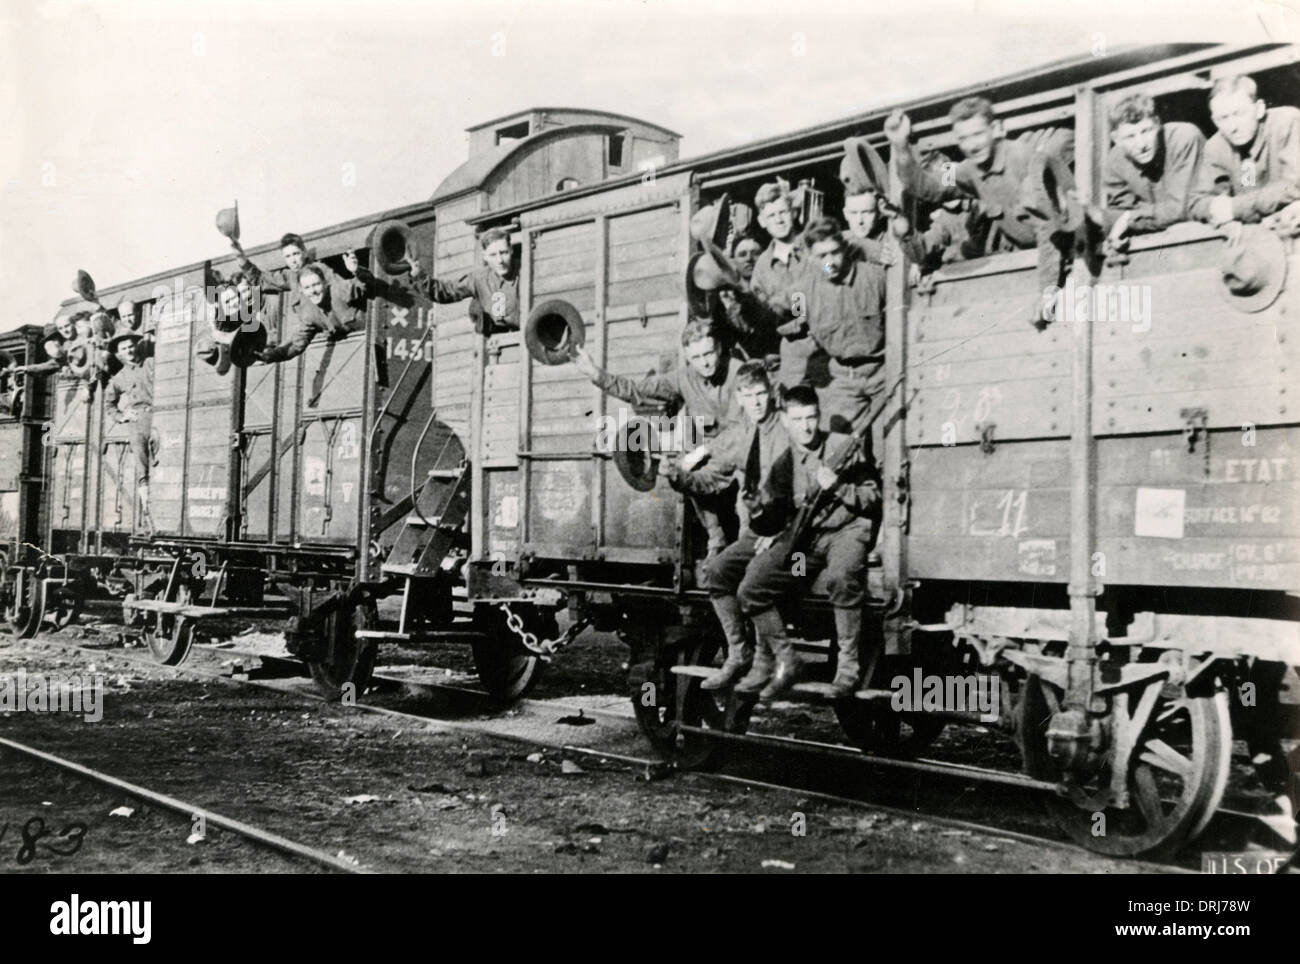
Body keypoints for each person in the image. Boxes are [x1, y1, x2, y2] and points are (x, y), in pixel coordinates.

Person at [731, 385, 882, 700]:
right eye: (798, 419)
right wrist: (758, 511)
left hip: (847, 529)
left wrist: (839, 487)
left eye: (812, 417)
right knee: (752, 587)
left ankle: (848, 668)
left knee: (842, 576)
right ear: (785, 421)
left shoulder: (844, 446)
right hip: (807, 539)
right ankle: (787, 657)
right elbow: (773, 516)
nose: (807, 426)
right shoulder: (786, 462)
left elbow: (872, 498)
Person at [569, 318, 742, 554]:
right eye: (697, 358)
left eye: (709, 353)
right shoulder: (684, 378)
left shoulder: (738, 373)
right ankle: (716, 538)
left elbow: (740, 430)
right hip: (712, 455)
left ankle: (746, 547)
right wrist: (596, 374)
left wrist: (703, 451)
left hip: (742, 451)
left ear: (720, 348)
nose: (705, 363)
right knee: (681, 470)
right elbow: (639, 391)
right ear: (689, 358)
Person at [680, 361, 789, 689]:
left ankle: (765, 660)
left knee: (753, 581)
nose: (756, 402)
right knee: (716, 572)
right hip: (757, 528)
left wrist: (778, 532)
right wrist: (684, 470)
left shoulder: (784, 430)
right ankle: (738, 652)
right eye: (749, 396)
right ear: (739, 399)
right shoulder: (742, 432)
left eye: (761, 394)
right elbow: (716, 461)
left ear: (770, 394)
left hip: (786, 531)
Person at [792, 218, 887, 444]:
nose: (830, 262)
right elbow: (794, 329)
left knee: (890, 448)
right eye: (821, 256)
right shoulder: (801, 292)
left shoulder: (876, 277)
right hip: (841, 380)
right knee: (839, 449)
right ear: (810, 258)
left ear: (845, 248)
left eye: (835, 253)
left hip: (882, 373)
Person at [1190, 74, 1300, 238]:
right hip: (1257, 238)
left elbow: (1294, 185)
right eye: (1223, 118)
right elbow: (1198, 203)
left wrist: (1234, 209)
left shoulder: (1288, 122)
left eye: (1240, 114)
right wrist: (1222, 218)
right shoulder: (1215, 147)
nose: (1233, 126)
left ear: (1259, 109)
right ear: (1214, 120)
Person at [747, 181, 826, 387]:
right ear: (762, 221)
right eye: (771, 216)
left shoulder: (816, 246)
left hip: (827, 343)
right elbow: (762, 318)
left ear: (793, 212)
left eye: (783, 212)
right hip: (793, 354)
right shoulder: (762, 269)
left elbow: (836, 274)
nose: (779, 220)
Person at [1103, 92, 1205, 248]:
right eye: (1130, 137)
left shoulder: (1184, 137)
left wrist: (1131, 218)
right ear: (1116, 139)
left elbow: (1181, 210)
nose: (1141, 144)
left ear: (1157, 123)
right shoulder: (1114, 162)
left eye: (1146, 131)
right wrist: (1127, 219)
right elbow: (1118, 216)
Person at [408, 226, 520, 334]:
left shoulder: (525, 270)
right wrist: (419, 276)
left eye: (503, 253)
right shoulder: (479, 279)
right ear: (485, 257)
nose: (499, 260)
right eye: (493, 255)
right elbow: (447, 291)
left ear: (511, 250)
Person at [255, 259, 369, 364]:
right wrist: (270, 356)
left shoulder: (339, 290)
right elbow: (296, 344)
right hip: (353, 354)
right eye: (307, 288)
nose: (313, 291)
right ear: (301, 290)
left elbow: (365, 285)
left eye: (316, 285)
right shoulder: (309, 314)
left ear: (324, 283)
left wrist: (357, 271)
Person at [103, 330, 156, 515]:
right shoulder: (119, 377)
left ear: (137, 346)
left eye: (131, 346)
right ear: (119, 354)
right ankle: (147, 504)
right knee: (142, 464)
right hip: (137, 421)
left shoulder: (151, 363)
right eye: (124, 348)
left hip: (158, 416)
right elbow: (109, 404)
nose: (129, 351)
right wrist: (121, 415)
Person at [230, 231, 341, 296]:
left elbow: (341, 290)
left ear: (304, 252)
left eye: (295, 254)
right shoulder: (289, 276)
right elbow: (260, 278)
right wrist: (240, 256)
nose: (293, 260)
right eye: (288, 256)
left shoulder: (321, 269)